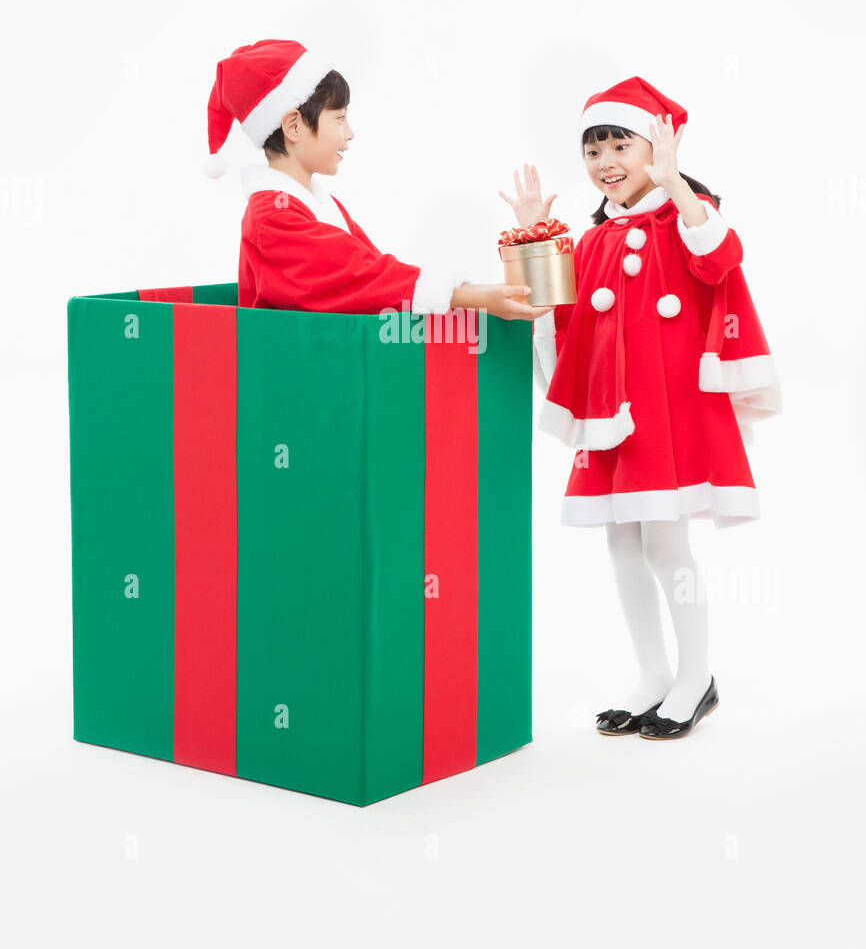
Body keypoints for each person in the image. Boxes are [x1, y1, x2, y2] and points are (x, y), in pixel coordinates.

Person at [499, 76, 781, 740]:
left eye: (618, 143)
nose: (604, 162)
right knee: (621, 543)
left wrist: (678, 182)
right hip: (613, 417)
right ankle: (653, 674)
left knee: (667, 543)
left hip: (670, 412)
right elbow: (552, 315)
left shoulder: (686, 220)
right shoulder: (596, 241)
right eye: (592, 150)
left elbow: (719, 258)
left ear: (656, 145)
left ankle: (697, 677)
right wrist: (531, 231)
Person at [205, 38, 551, 322]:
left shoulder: (318, 205)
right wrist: (467, 297)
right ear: (294, 126)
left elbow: (373, 277)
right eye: (339, 119)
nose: (350, 133)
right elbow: (358, 277)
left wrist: (471, 296)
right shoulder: (272, 217)